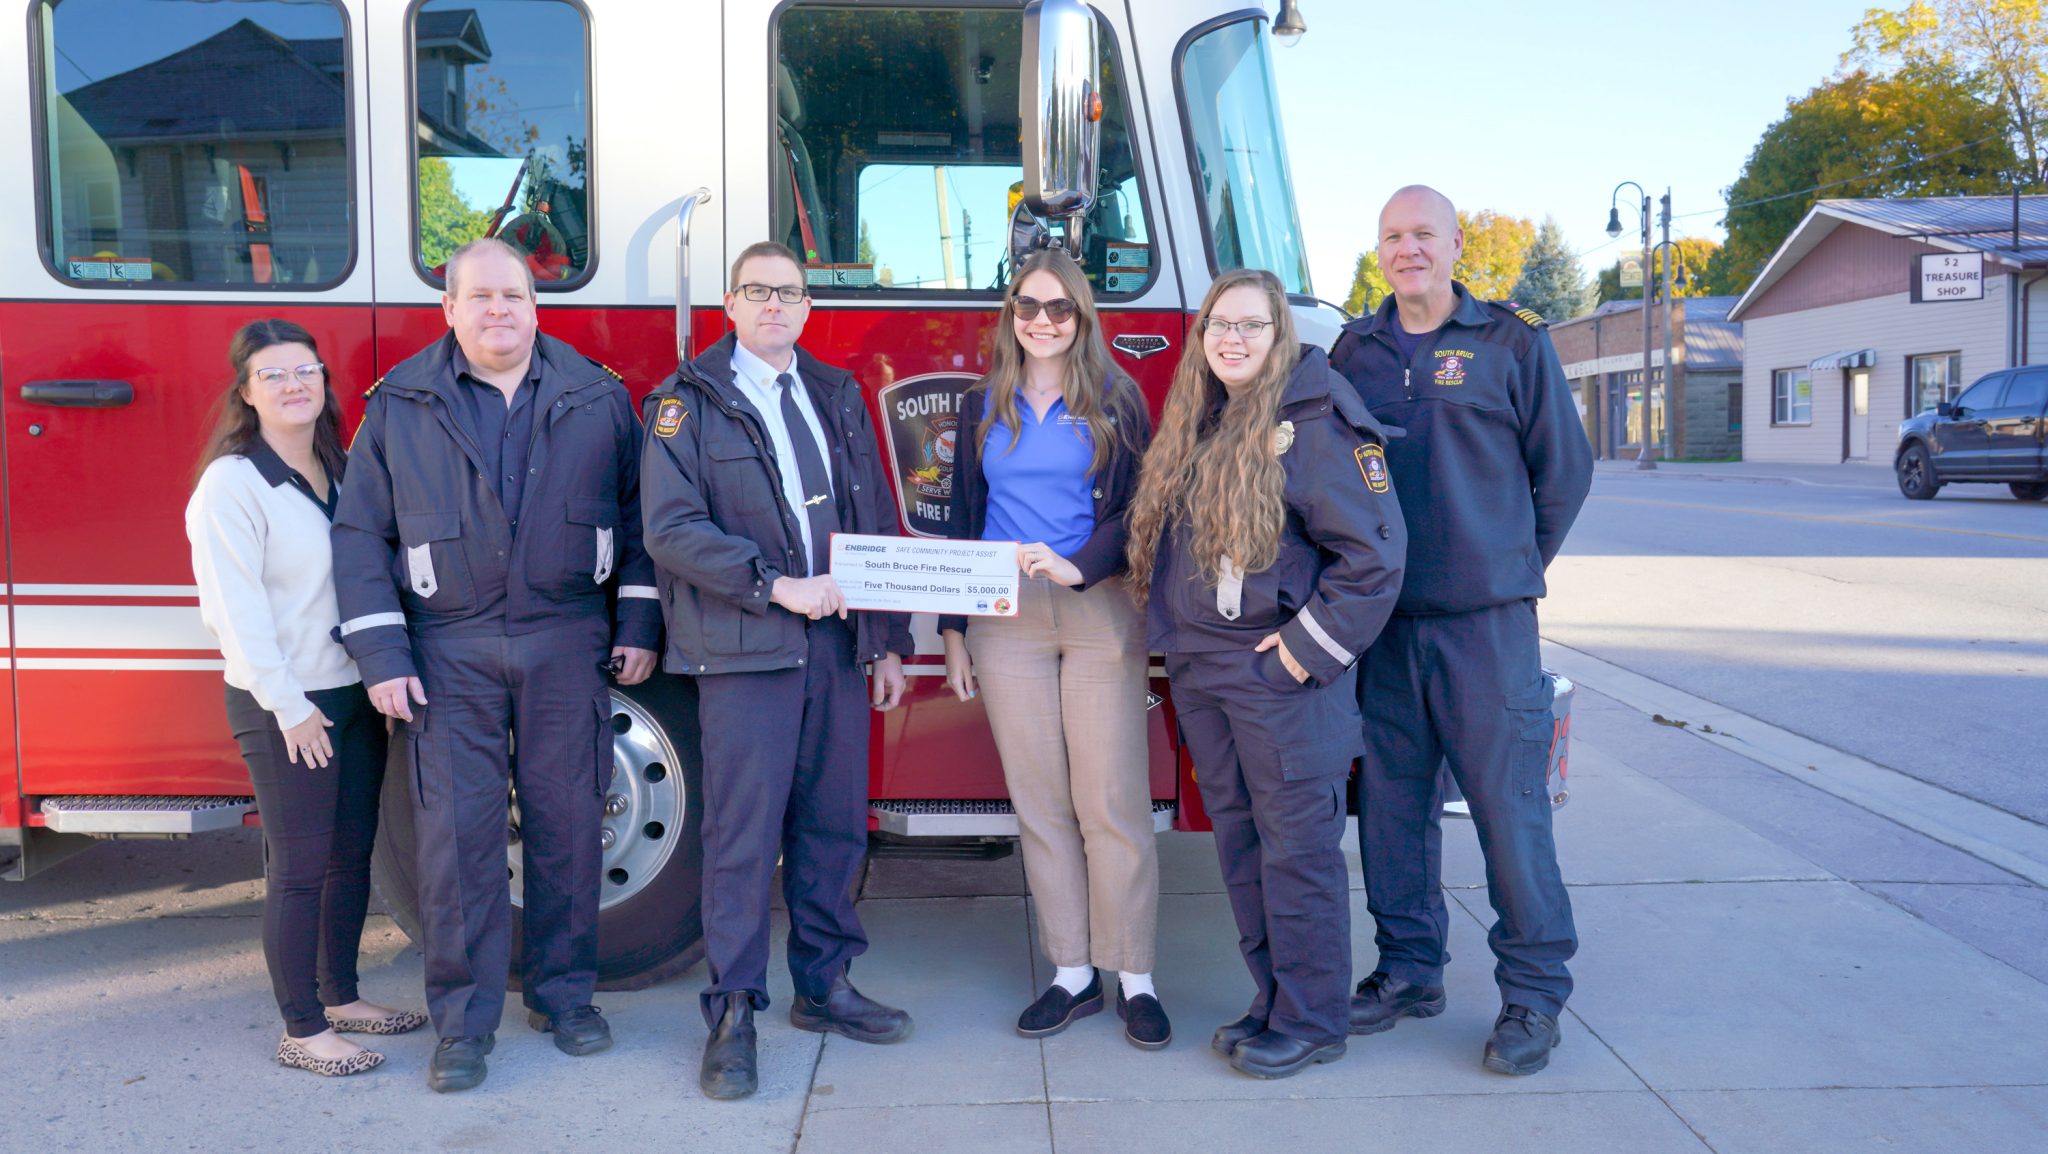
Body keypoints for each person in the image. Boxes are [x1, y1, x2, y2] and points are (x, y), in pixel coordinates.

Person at [331, 237, 661, 1092]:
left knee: (567, 828)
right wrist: (380, 653)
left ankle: (565, 997)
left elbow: (639, 518)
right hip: (449, 651)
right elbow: (361, 535)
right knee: (457, 844)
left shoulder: (596, 396)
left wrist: (637, 621)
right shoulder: (401, 403)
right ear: (449, 309)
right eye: (478, 297)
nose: (497, 311)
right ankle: (463, 1025)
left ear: (535, 305)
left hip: (566, 639)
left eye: (511, 295)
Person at [1328, 185, 1594, 1076]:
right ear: (1380, 250)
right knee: (1392, 815)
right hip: (1386, 629)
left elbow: (1564, 474)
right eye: (1393, 236)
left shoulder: (1511, 342)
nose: (1408, 249)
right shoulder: (1352, 351)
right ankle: (1408, 971)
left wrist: (1509, 566)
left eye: (1423, 235)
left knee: (1508, 815)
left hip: (1487, 628)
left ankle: (1532, 996)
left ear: (1454, 244)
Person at [640, 240, 913, 1101]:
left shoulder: (835, 393)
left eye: (788, 294)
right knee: (741, 839)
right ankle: (733, 1012)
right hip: (744, 648)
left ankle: (825, 987)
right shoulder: (685, 404)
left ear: (806, 307)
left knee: (833, 826)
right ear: (730, 303)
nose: (774, 306)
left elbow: (870, 513)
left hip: (835, 651)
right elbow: (671, 531)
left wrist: (887, 636)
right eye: (756, 292)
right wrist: (774, 586)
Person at [1124, 268, 1406, 1079]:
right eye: (1220, 324)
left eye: (1251, 325)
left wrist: (1299, 651)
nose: (1233, 339)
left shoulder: (1315, 419)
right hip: (1208, 672)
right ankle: (1275, 999)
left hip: (1283, 679)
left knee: (1299, 851)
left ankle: (1314, 1018)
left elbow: (1375, 558)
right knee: (1243, 846)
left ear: (1281, 336)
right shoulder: (1206, 418)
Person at [186, 319, 427, 1077]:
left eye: (306, 372)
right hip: (287, 704)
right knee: (299, 864)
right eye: (274, 375)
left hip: (352, 691)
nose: (294, 385)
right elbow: (234, 611)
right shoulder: (231, 483)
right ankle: (301, 1028)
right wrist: (289, 706)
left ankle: (343, 997)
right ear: (247, 392)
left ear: (324, 383)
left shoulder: (339, 464)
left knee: (350, 856)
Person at [937, 249, 1165, 1048]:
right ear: (1011, 316)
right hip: (1004, 615)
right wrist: (955, 630)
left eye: (1058, 308)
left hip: (1096, 604)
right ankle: (1073, 975)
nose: (1041, 321)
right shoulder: (981, 405)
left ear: (1082, 317)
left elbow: (1141, 509)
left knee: (1112, 799)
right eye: (1027, 307)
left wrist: (1079, 565)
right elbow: (966, 514)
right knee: (1039, 803)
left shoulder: (1117, 399)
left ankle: (1133, 975)